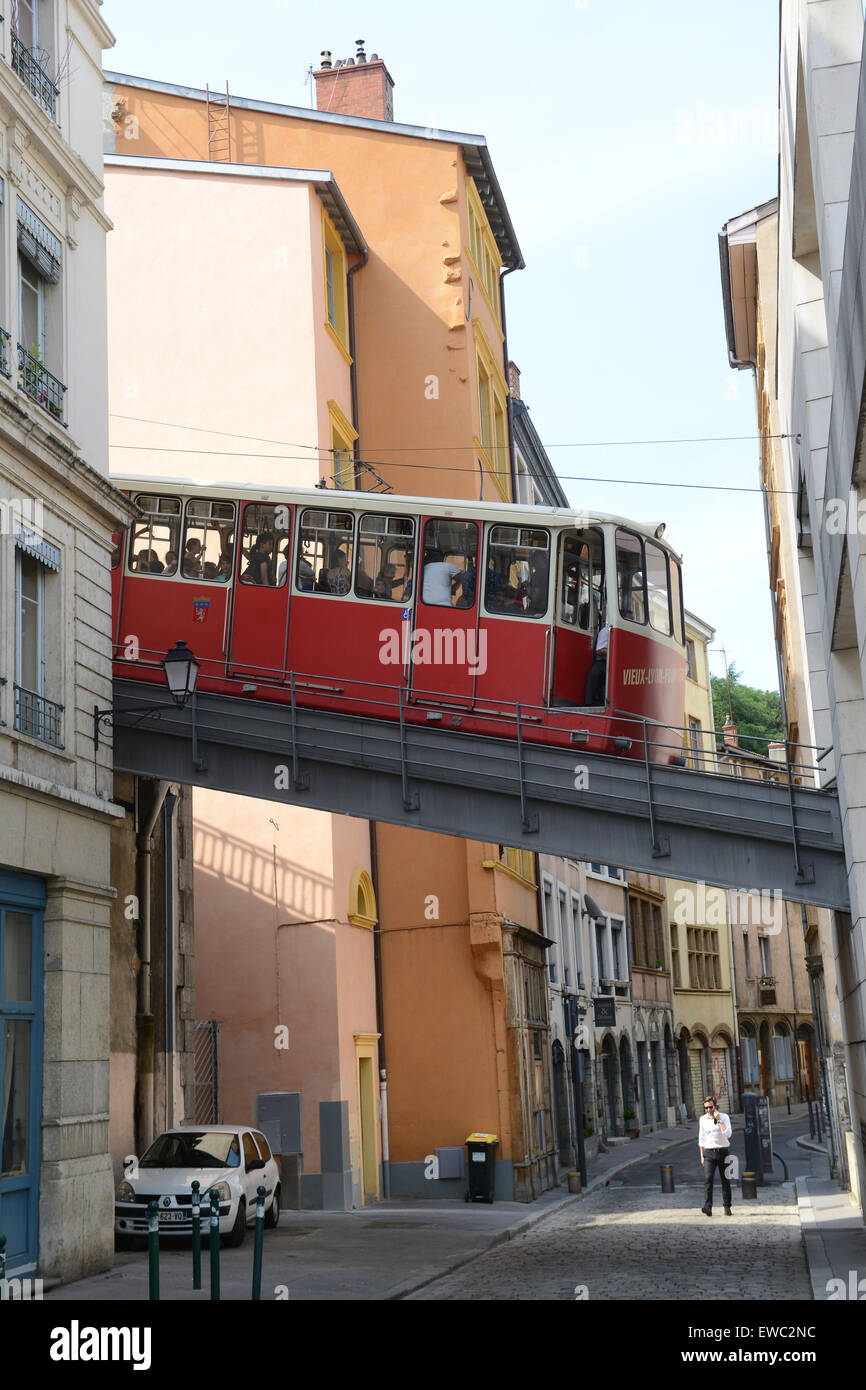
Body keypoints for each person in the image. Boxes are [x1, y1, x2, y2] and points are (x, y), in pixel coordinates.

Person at [699, 1094, 733, 1216]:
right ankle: (708, 1207)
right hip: (709, 1153)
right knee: (708, 1180)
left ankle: (727, 1206)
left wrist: (719, 1120)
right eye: (706, 1108)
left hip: (723, 1151)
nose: (708, 1110)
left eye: (710, 1107)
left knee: (725, 1180)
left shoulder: (724, 1117)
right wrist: (702, 1156)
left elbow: (728, 1134)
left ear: (715, 1106)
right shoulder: (702, 1119)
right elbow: (701, 1138)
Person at [584, 622, 609, 705]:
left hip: (606, 663)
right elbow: (599, 650)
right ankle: (590, 703)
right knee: (594, 676)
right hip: (603, 662)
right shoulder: (606, 631)